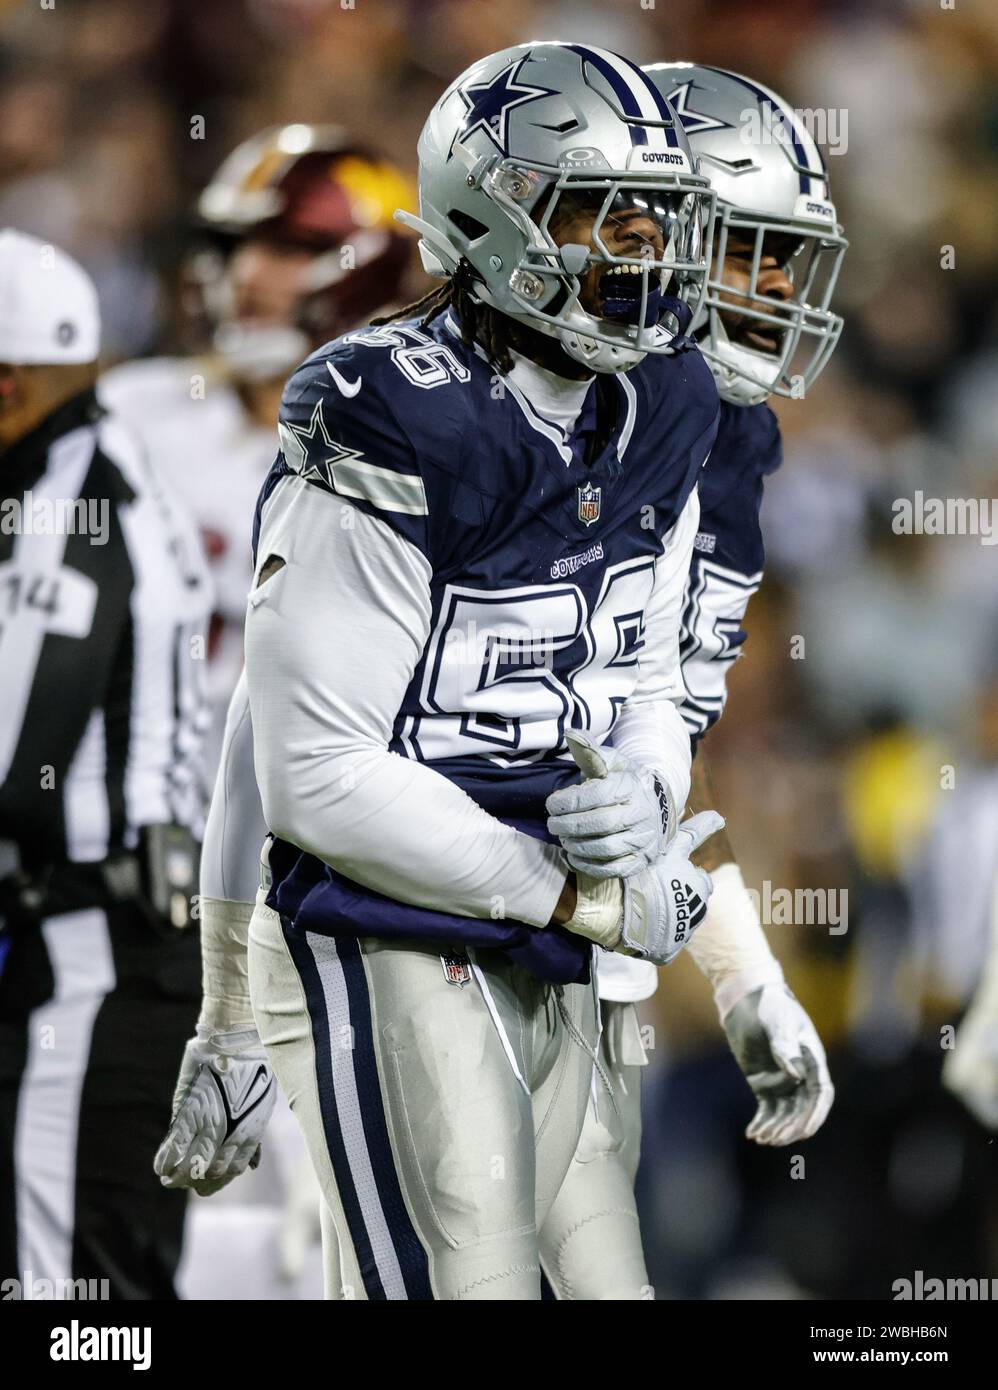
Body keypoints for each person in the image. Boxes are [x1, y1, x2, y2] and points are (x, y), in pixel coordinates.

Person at [154, 41, 729, 1301]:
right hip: (386, 929)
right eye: (599, 218)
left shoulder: (668, 398)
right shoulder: (386, 408)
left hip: (549, 945)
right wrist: (571, 895)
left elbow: (644, 669)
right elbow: (309, 770)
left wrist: (639, 793)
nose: (640, 256)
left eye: (654, 221)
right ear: (495, 212)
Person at [535, 64, 845, 1299]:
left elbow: (665, 745)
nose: (776, 289)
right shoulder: (553, 420)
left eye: (788, 256)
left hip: (569, 957)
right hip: (429, 933)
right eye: (752, 251)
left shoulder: (729, 437)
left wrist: (742, 973)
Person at [0, 228, 211, 1299]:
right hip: (105, 947)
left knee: (65, 1305)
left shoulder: (66, 518)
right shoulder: (90, 468)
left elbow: (10, 773)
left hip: (91, 958)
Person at [101, 125, 414, 768]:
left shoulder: (410, 451)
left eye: (287, 248)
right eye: (234, 245)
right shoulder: (136, 410)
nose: (245, 275)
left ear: (367, 262)